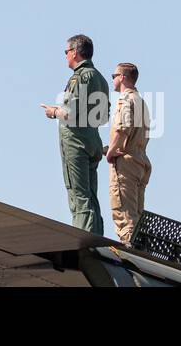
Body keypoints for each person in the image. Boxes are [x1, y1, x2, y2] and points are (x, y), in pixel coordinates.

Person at [40, 33, 109, 235]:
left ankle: (83, 241)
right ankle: (96, 237)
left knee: (78, 196)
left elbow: (69, 113)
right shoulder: (101, 79)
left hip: (76, 143)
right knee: (91, 196)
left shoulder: (79, 78)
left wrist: (53, 112)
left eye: (67, 51)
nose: (66, 56)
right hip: (93, 141)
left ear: (75, 52)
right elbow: (103, 118)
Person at [105, 62, 152, 245]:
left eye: (114, 75)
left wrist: (111, 151)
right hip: (140, 161)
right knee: (137, 214)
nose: (113, 79)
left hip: (125, 163)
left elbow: (122, 129)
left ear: (122, 77)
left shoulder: (126, 100)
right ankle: (140, 249)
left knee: (124, 214)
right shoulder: (141, 102)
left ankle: (131, 253)